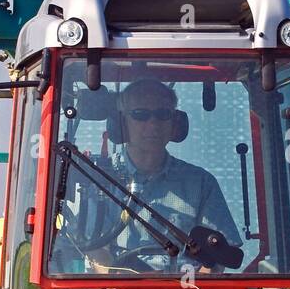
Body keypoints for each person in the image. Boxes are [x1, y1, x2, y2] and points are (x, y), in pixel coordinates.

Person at [91, 77, 241, 272]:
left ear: (175, 124)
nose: (153, 125)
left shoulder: (201, 183)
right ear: (121, 123)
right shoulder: (98, 179)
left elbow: (217, 256)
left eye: (163, 114)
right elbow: (95, 249)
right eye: (140, 115)